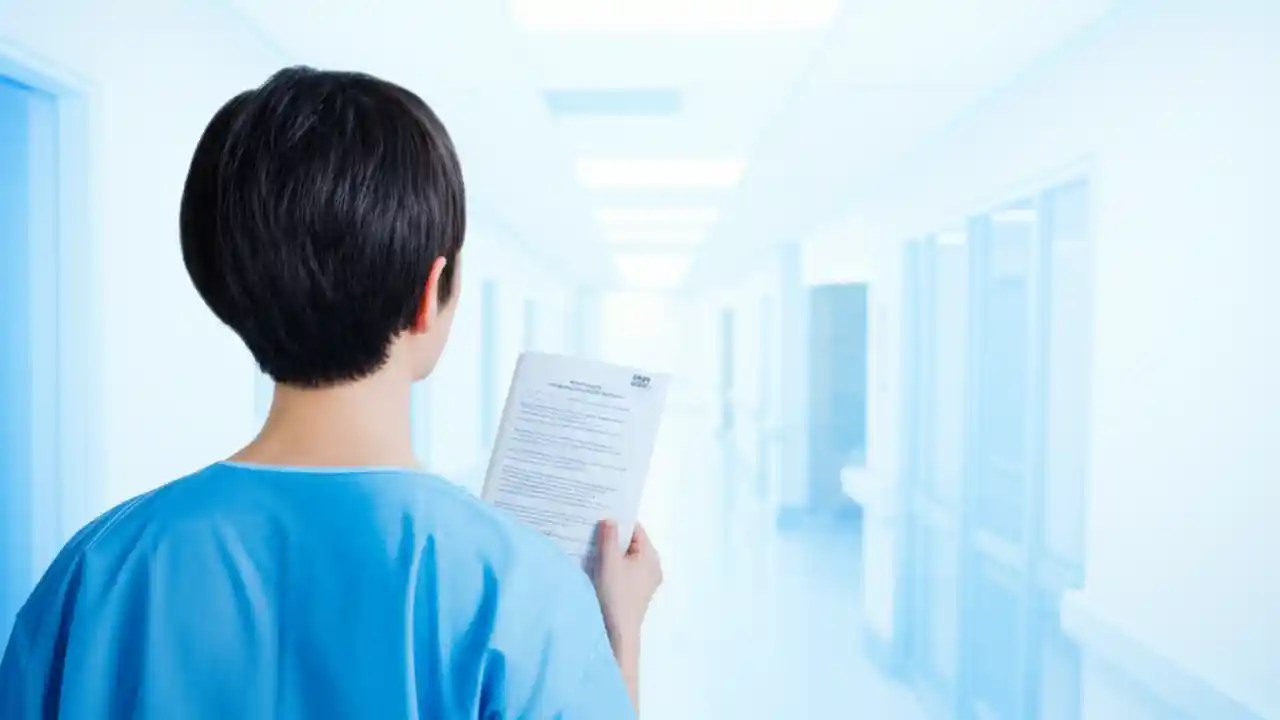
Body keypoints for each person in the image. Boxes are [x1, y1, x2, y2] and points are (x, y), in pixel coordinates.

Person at [0, 66, 661, 719]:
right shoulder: (521, 588)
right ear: (432, 293)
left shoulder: (95, 571)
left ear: (225, 287)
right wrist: (617, 638)